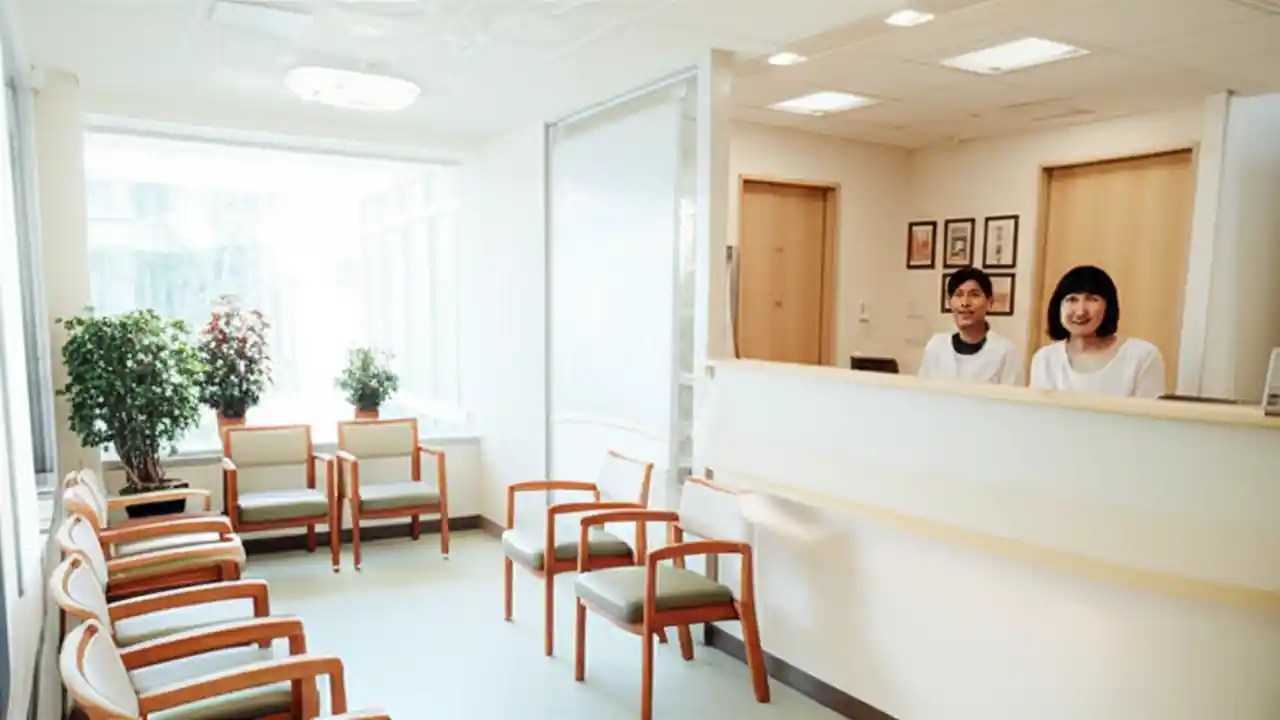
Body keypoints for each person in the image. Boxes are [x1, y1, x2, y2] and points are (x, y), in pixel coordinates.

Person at [1029, 265, 1165, 398]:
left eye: (1092, 299)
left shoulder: (1142, 356)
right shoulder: (1045, 359)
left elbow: (1149, 418)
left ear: (1108, 306)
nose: (1081, 311)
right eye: (1072, 299)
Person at [918, 267, 1021, 385]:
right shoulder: (936, 346)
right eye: (958, 294)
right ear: (949, 302)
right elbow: (922, 394)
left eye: (974, 295)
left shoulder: (1006, 352)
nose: (965, 303)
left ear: (990, 303)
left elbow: (1012, 400)